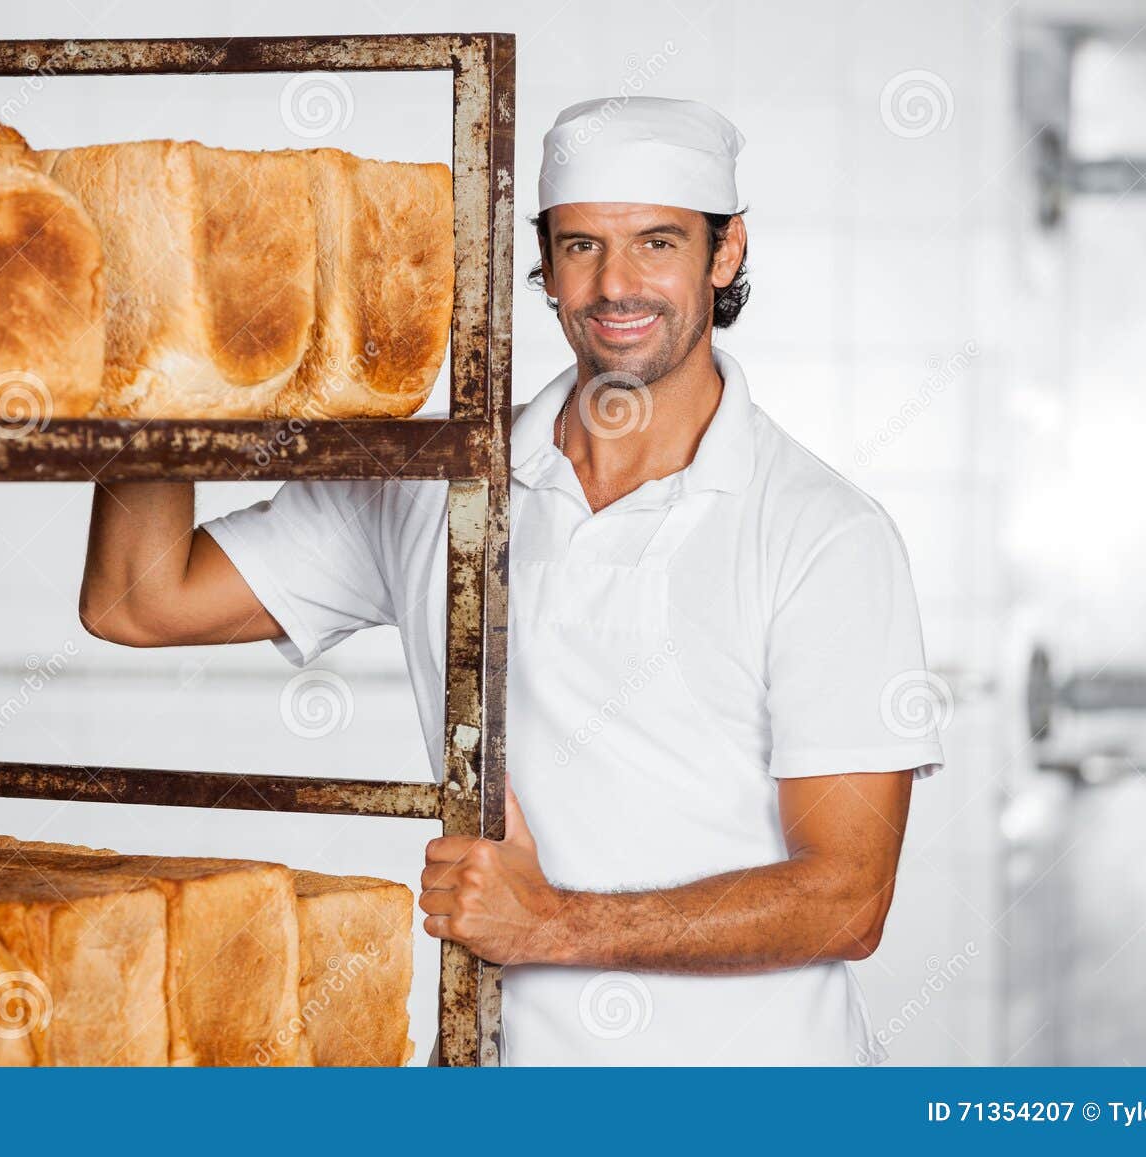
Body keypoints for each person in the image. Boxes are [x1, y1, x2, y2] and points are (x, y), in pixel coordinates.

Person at [78, 95, 946, 1065]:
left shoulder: (821, 534)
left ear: (725, 251)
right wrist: (147, 346)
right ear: (544, 263)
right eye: (580, 246)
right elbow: (137, 599)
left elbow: (849, 896)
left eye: (657, 242)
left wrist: (553, 923)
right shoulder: (439, 489)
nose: (616, 283)